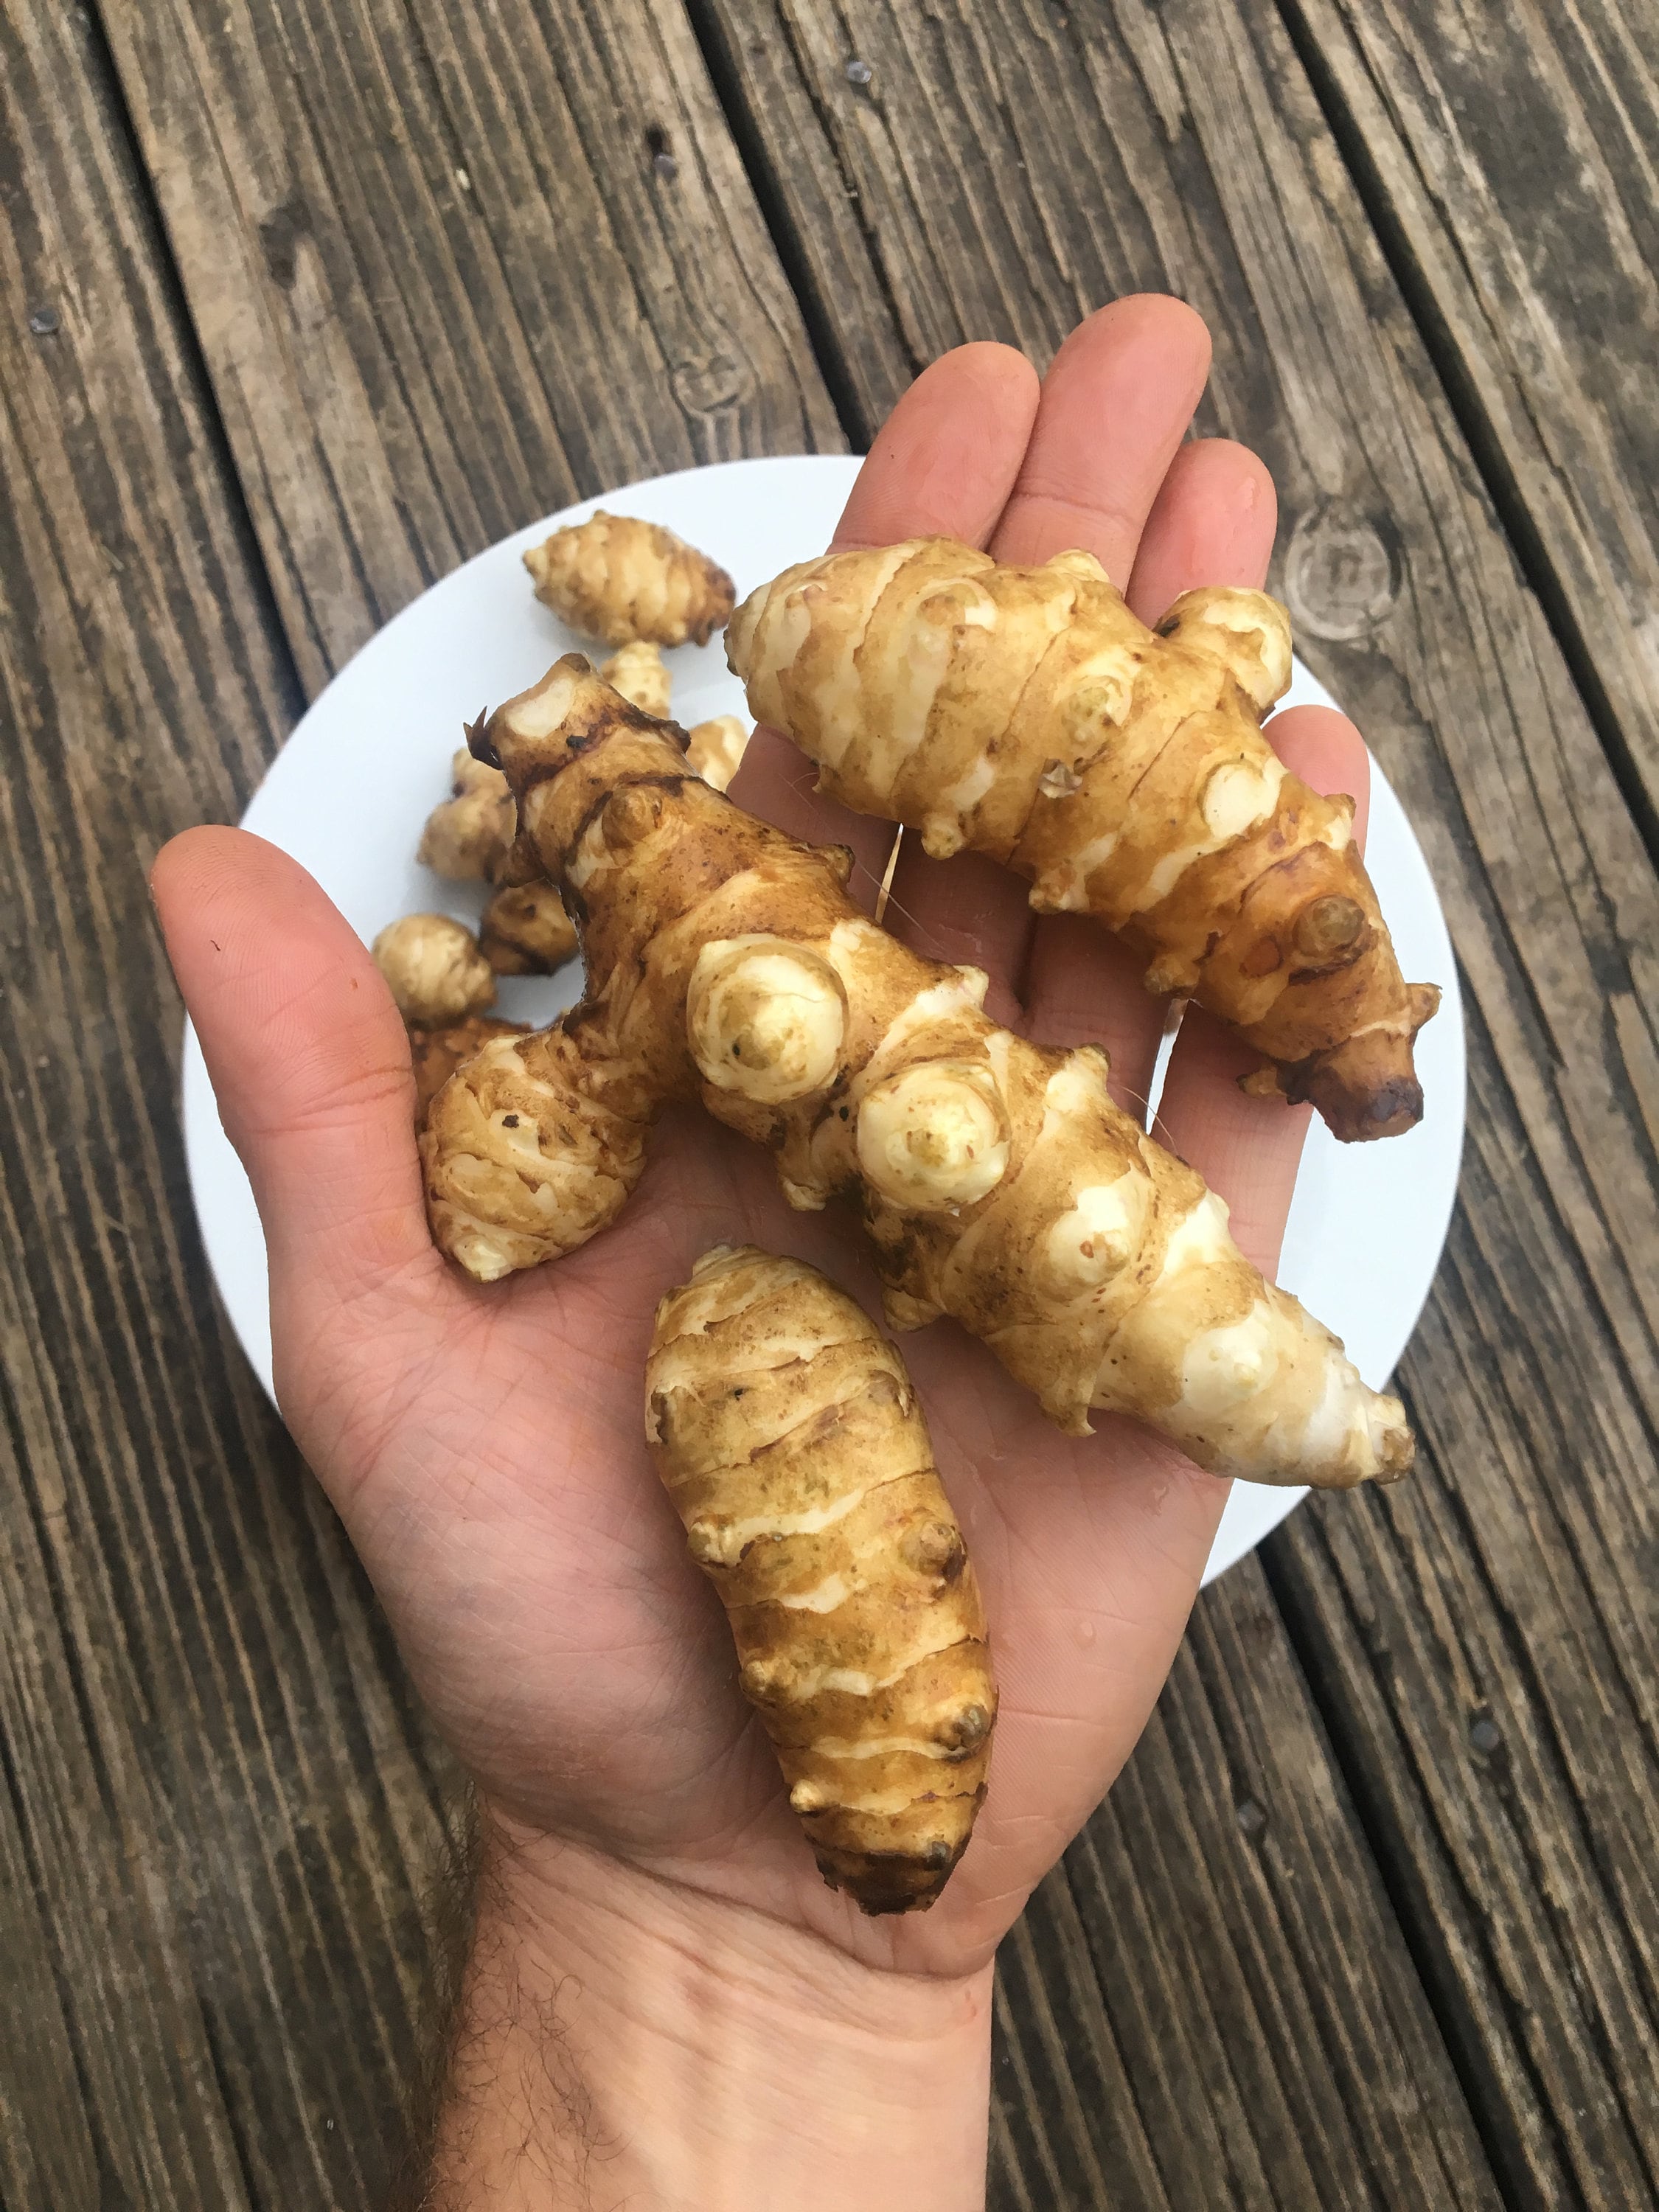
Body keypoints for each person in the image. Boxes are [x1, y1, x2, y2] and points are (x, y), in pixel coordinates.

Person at [153, 295, 1369, 2209]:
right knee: (886, 1090)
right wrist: (730, 1948)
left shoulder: (673, 934)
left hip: (1044, 1246)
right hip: (959, 1249)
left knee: (922, 1105)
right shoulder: (652, 984)